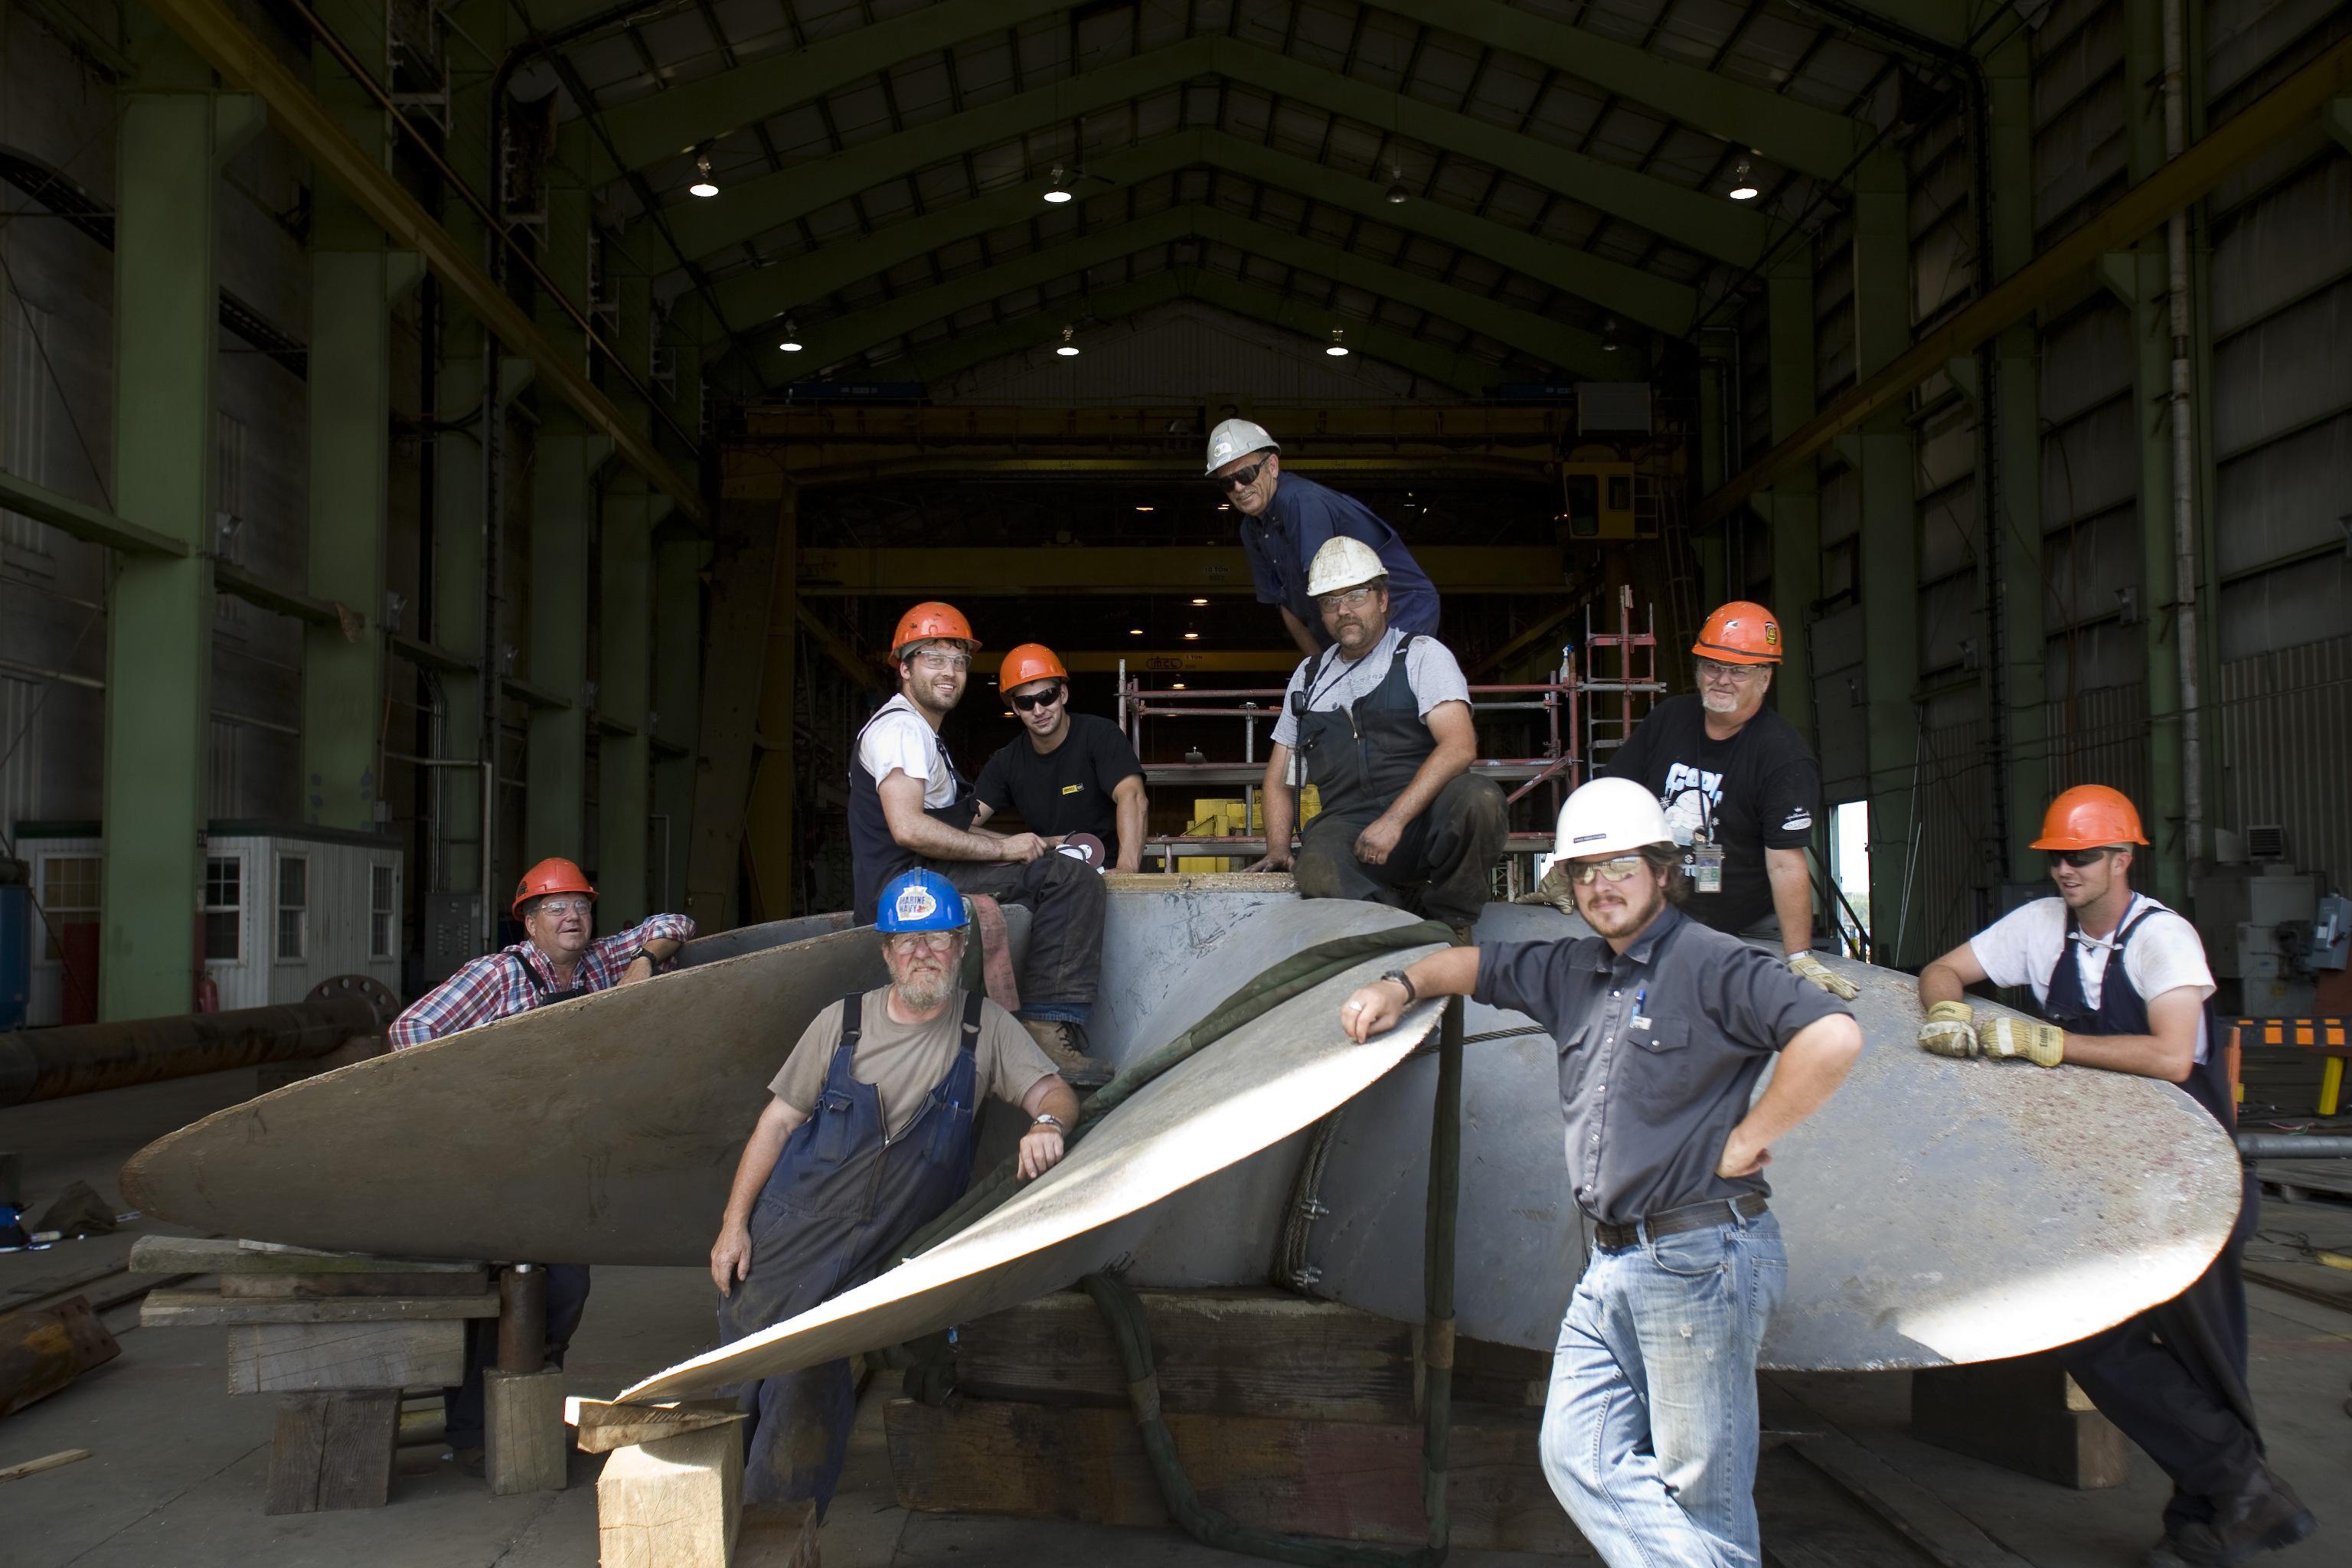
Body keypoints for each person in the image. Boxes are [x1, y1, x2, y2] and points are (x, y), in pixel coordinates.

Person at [1338, 777, 1861, 1568]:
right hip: (1613, 1262)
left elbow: (1832, 1035)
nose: (1600, 885)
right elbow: (1470, 963)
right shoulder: (1573, 970)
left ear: (1661, 868)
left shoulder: (1712, 962)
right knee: (1577, 1451)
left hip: (1698, 1256)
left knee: (1702, 1498)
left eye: (1618, 865)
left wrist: (1751, 1134)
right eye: (1584, 871)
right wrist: (1398, 983)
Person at [1916, 786, 2314, 1568]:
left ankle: (2207, 1517)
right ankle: (2240, 1492)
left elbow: (2171, 1055)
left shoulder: (2164, 941)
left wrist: (2049, 1046)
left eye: (2082, 856)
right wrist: (1944, 1011)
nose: (2065, 869)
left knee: (2209, 1361)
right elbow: (1942, 967)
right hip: (2108, 1181)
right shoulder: (2040, 928)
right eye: (2056, 857)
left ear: (2122, 859)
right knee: (2093, 1340)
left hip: (2190, 1184)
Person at [709, 869, 1077, 1512]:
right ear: (885, 952)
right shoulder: (840, 1025)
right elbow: (777, 1123)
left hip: (887, 1252)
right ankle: (704, 1525)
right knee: (735, 1395)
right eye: (908, 942)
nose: (922, 953)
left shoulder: (982, 1029)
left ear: (961, 947)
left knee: (805, 1394)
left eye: (937, 939)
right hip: (789, 1240)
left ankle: (778, 1533)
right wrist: (734, 1224)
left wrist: (1046, 1124)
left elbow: (1054, 1092)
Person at [387, 856, 694, 1475]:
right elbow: (409, 1031)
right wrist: (480, 1092)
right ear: (528, 923)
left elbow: (676, 920)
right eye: (555, 909)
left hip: (561, 1165)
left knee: (564, 1288)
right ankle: (476, 1434)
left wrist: (646, 960)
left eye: (581, 906)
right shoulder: (497, 976)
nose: (571, 917)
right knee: (493, 1297)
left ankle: (527, 1394)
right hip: (494, 1162)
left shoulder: (602, 962)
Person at [848, 601, 1108, 1074]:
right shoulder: (902, 728)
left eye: (959, 661)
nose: (950, 672)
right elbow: (908, 827)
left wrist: (1039, 842)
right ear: (904, 669)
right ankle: (1049, 1027)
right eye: (934, 659)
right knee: (1070, 881)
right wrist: (1003, 848)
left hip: (921, 870)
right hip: (910, 884)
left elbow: (945, 827)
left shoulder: (921, 733)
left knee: (1052, 865)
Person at [1246, 537, 1504, 933]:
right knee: (1315, 868)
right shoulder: (1309, 677)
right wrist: (1279, 848)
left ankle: (1452, 919)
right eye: (1330, 601)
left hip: (1424, 817)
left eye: (1355, 596)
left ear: (1382, 600)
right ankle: (1397, 922)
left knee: (1479, 799)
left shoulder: (1421, 655)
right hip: (1347, 825)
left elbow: (1459, 746)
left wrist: (1394, 820)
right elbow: (1281, 774)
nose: (1343, 611)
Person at [1604, 599, 1852, 999]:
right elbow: (1615, 796)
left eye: (1738, 670)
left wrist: (1800, 955)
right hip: (1657, 913)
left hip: (1748, 925)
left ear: (1765, 679)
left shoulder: (1783, 757)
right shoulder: (1670, 719)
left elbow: (1786, 863)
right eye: (1712, 666)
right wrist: (1576, 866)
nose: (1721, 679)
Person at [1207, 416, 1440, 657]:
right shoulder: (1251, 529)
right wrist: (1317, 666)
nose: (1238, 488)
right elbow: (1286, 606)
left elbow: (1335, 592)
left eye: (1246, 474)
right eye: (1227, 482)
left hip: (1400, 611)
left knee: (1382, 686)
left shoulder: (1301, 501)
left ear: (1273, 466)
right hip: (1345, 627)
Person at [972, 642, 1148, 874]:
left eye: (1046, 697)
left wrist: (1126, 870)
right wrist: (1017, 844)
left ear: (1062, 694)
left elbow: (1133, 796)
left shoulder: (1099, 735)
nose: (1038, 710)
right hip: (1049, 880)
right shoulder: (1006, 762)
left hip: (1108, 873)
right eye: (1026, 702)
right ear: (1015, 708)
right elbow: (961, 826)